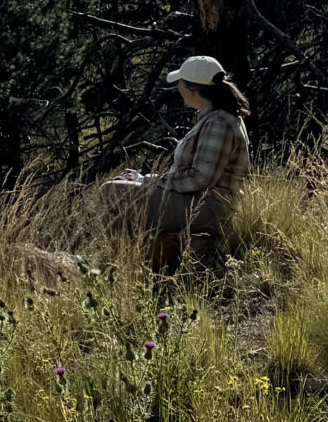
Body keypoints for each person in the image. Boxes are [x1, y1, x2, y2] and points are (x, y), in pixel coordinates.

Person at [103, 54, 251, 265]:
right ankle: (142, 257)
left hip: (209, 207)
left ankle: (128, 263)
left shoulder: (218, 122)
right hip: (200, 202)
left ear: (192, 89)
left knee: (111, 192)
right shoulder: (216, 117)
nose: (178, 88)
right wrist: (144, 179)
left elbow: (200, 179)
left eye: (180, 83)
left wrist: (148, 181)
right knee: (121, 187)